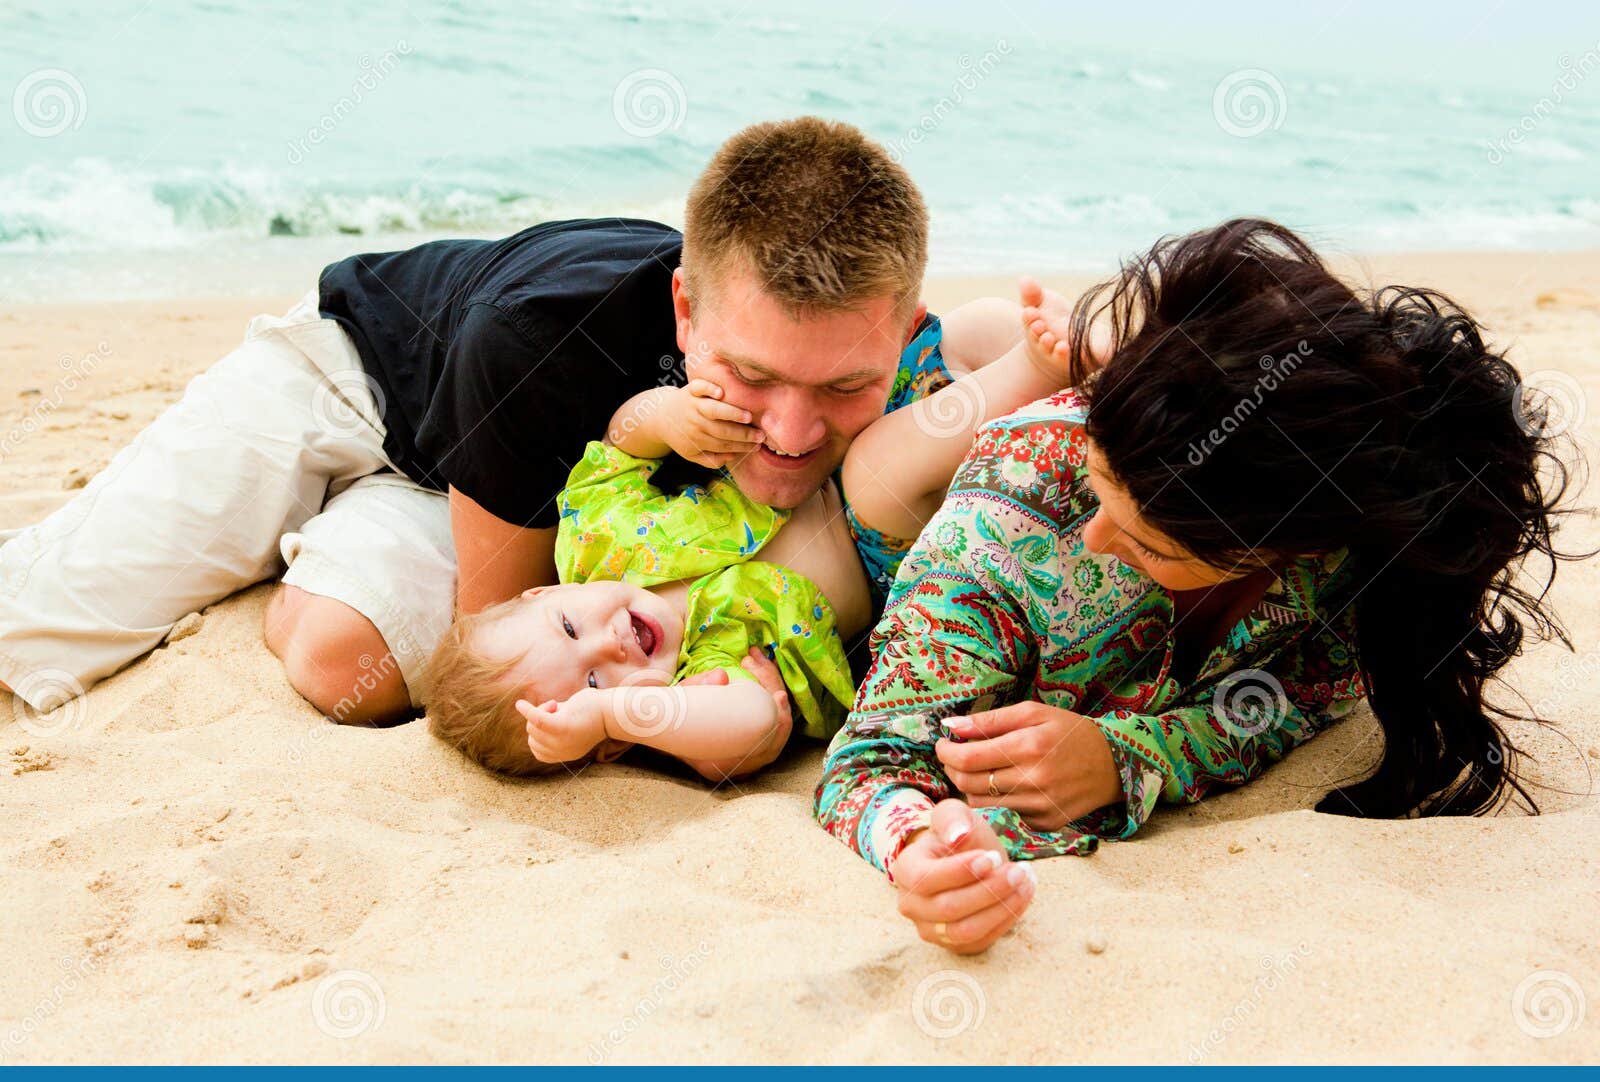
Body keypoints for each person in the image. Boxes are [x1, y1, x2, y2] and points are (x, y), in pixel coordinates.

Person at [0, 118, 937, 724]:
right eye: (753, 375)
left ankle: (304, 559)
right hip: (358, 379)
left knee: (341, 665)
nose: (796, 428)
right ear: (686, 311)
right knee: (46, 616)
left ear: (903, 329)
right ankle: (281, 524)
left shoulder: (908, 361)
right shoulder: (538, 337)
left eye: (843, 387)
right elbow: (499, 637)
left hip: (518, 494)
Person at [816, 218, 1575, 954]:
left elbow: (1313, 691)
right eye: (1100, 480)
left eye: (1148, 541)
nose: (1094, 539)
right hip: (865, 543)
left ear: (1287, 541)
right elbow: (870, 762)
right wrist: (920, 852)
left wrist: (1132, 756)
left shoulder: (1352, 537)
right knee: (883, 482)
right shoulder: (1011, 519)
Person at [423, 283, 1072, 780]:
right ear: (619, 740)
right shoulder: (703, 678)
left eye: (570, 627)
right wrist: (619, 714)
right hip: (890, 555)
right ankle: (1037, 372)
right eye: (594, 684)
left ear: (545, 593)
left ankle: (1092, 356)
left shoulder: (596, 541)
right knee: (881, 474)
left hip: (821, 457)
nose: (608, 643)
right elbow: (753, 721)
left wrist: (670, 418)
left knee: (970, 326)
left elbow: (617, 448)